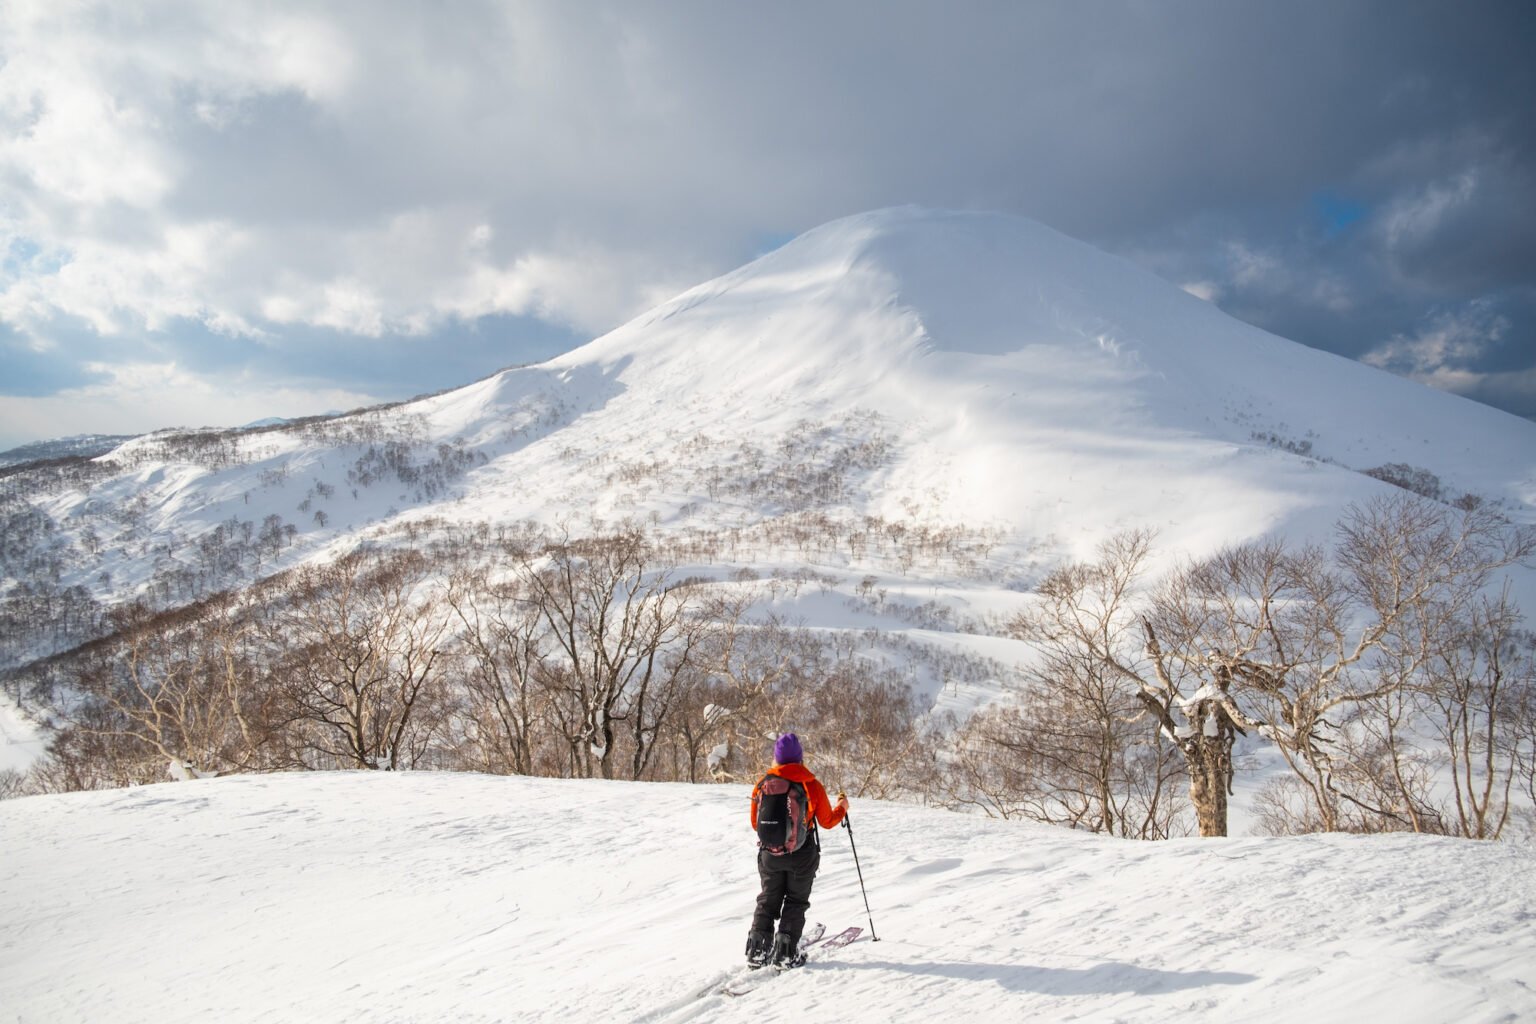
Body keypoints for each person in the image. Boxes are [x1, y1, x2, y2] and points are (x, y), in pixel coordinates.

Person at [746, 732, 849, 968]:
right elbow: (827, 821)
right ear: (800, 758)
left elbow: (755, 824)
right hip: (802, 855)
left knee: (767, 900)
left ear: (777, 759)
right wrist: (842, 806)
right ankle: (785, 952)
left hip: (769, 854)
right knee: (795, 901)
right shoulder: (811, 785)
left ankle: (757, 951)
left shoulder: (763, 784)